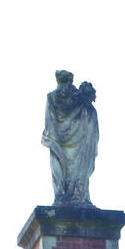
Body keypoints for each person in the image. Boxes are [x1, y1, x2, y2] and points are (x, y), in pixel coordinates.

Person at [41, 71, 99, 205]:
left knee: (76, 172)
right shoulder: (55, 98)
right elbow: (50, 127)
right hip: (59, 145)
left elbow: (49, 128)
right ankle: (68, 195)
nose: (66, 85)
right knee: (62, 172)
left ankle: (76, 195)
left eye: (68, 82)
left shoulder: (81, 103)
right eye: (64, 81)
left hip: (77, 146)